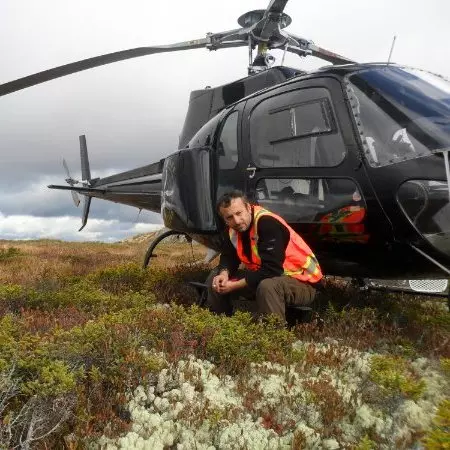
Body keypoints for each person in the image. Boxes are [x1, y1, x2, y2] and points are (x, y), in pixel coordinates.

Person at [207, 190, 323, 321]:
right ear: (224, 219)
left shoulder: (268, 224)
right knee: (215, 277)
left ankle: (274, 335)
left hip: (303, 282)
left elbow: (272, 270)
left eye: (239, 213)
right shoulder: (233, 231)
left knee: (267, 286)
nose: (237, 221)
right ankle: (221, 323)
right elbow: (229, 256)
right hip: (270, 277)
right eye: (229, 217)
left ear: (248, 207)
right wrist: (224, 273)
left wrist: (234, 285)